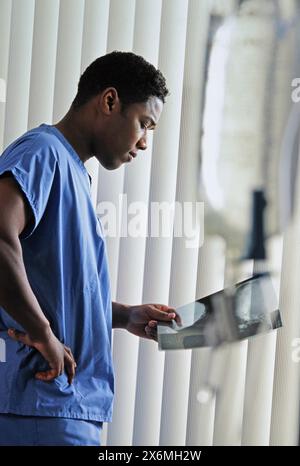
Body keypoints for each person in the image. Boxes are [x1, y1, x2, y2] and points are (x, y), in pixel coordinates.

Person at [0, 51, 178, 446]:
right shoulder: (41, 152)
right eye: (144, 124)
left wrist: (126, 314)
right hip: (43, 405)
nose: (145, 142)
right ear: (110, 101)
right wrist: (43, 334)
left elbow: (58, 290)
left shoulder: (72, 171)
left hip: (62, 407)